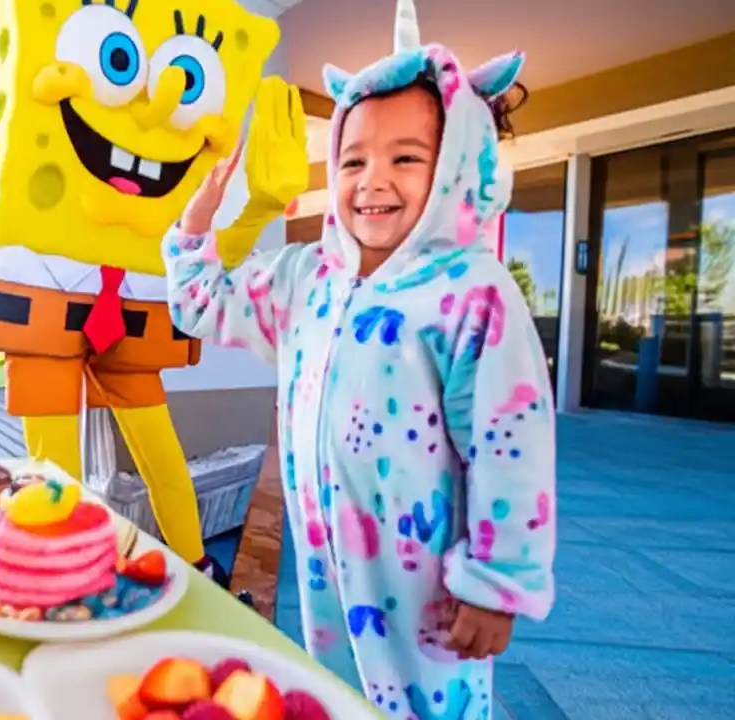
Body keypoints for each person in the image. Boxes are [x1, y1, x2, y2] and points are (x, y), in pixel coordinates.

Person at [163, 1, 556, 717]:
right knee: (337, 687)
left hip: (427, 581)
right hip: (323, 561)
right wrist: (195, 230)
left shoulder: (471, 294)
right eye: (353, 160)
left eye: (405, 158)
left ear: (455, 166)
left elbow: (511, 443)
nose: (373, 181)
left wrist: (497, 581)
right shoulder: (305, 277)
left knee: (432, 698)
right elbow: (204, 307)